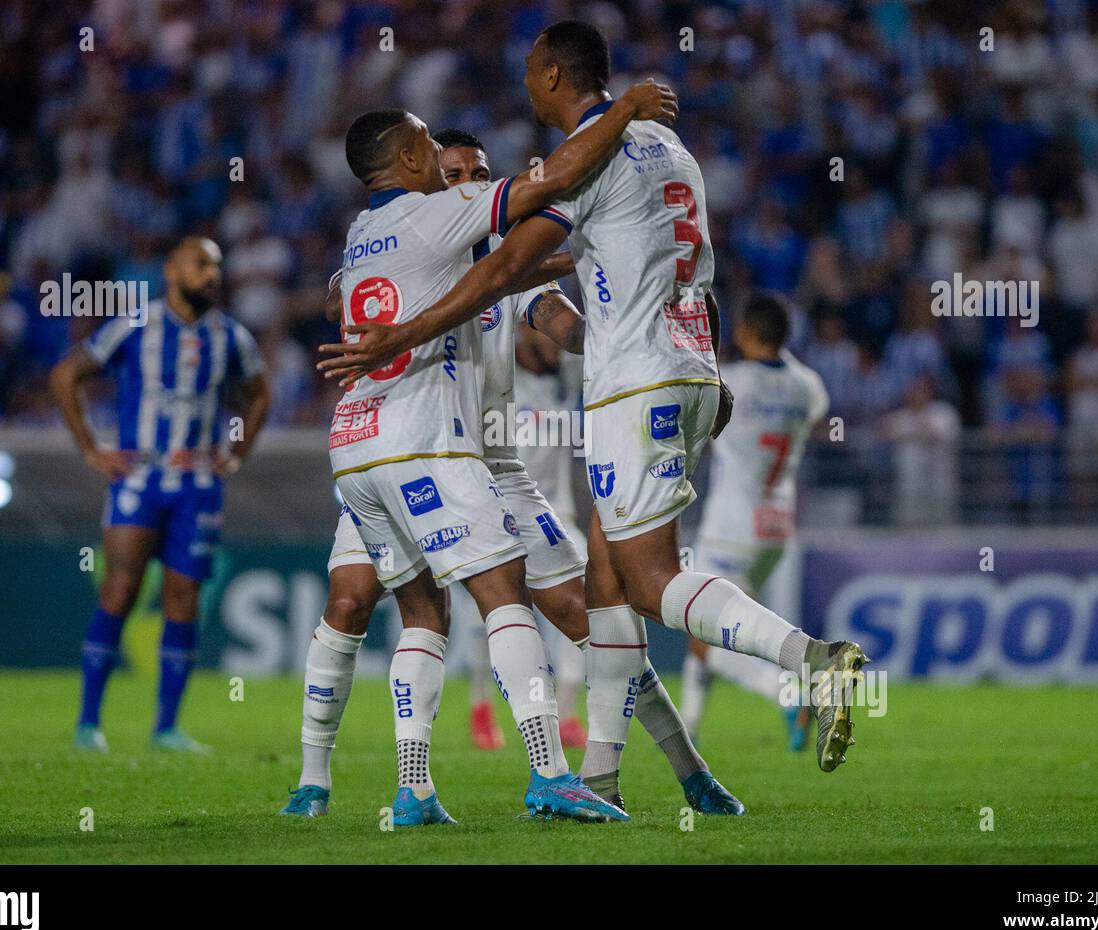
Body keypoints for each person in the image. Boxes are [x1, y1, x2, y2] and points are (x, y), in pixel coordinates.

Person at [319, 20, 867, 775]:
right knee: (604, 583)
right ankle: (602, 776)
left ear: (551, 74)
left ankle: (811, 658)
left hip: (631, 385)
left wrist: (402, 330)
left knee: (648, 580)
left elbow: (505, 268)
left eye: (528, 70)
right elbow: (682, 264)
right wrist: (708, 369)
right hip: (688, 366)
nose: (523, 84)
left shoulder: (588, 157)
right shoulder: (671, 149)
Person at [285, 124, 739, 820]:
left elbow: (567, 327)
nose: (469, 183)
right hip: (423, 448)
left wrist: (641, 334)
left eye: (479, 172)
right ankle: (319, 779)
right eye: (454, 172)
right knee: (354, 602)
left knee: (586, 618)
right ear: (428, 175)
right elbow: (343, 293)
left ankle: (688, 767)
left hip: (485, 465)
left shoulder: (501, 262)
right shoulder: (434, 236)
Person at [49, 237, 270, 753]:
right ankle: (88, 724)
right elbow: (65, 375)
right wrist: (92, 449)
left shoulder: (230, 336)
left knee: (184, 600)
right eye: (201, 264)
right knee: (120, 591)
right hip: (139, 480)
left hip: (197, 486)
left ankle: (166, 728)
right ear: (172, 270)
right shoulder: (134, 325)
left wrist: (236, 453)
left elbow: (260, 394)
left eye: (217, 266)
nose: (212, 275)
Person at [681, 293, 828, 751]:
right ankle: (688, 727)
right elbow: (817, 410)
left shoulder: (731, 381)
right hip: (776, 529)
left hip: (730, 529)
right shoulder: (808, 385)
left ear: (744, 331)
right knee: (707, 630)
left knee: (706, 632)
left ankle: (788, 695)